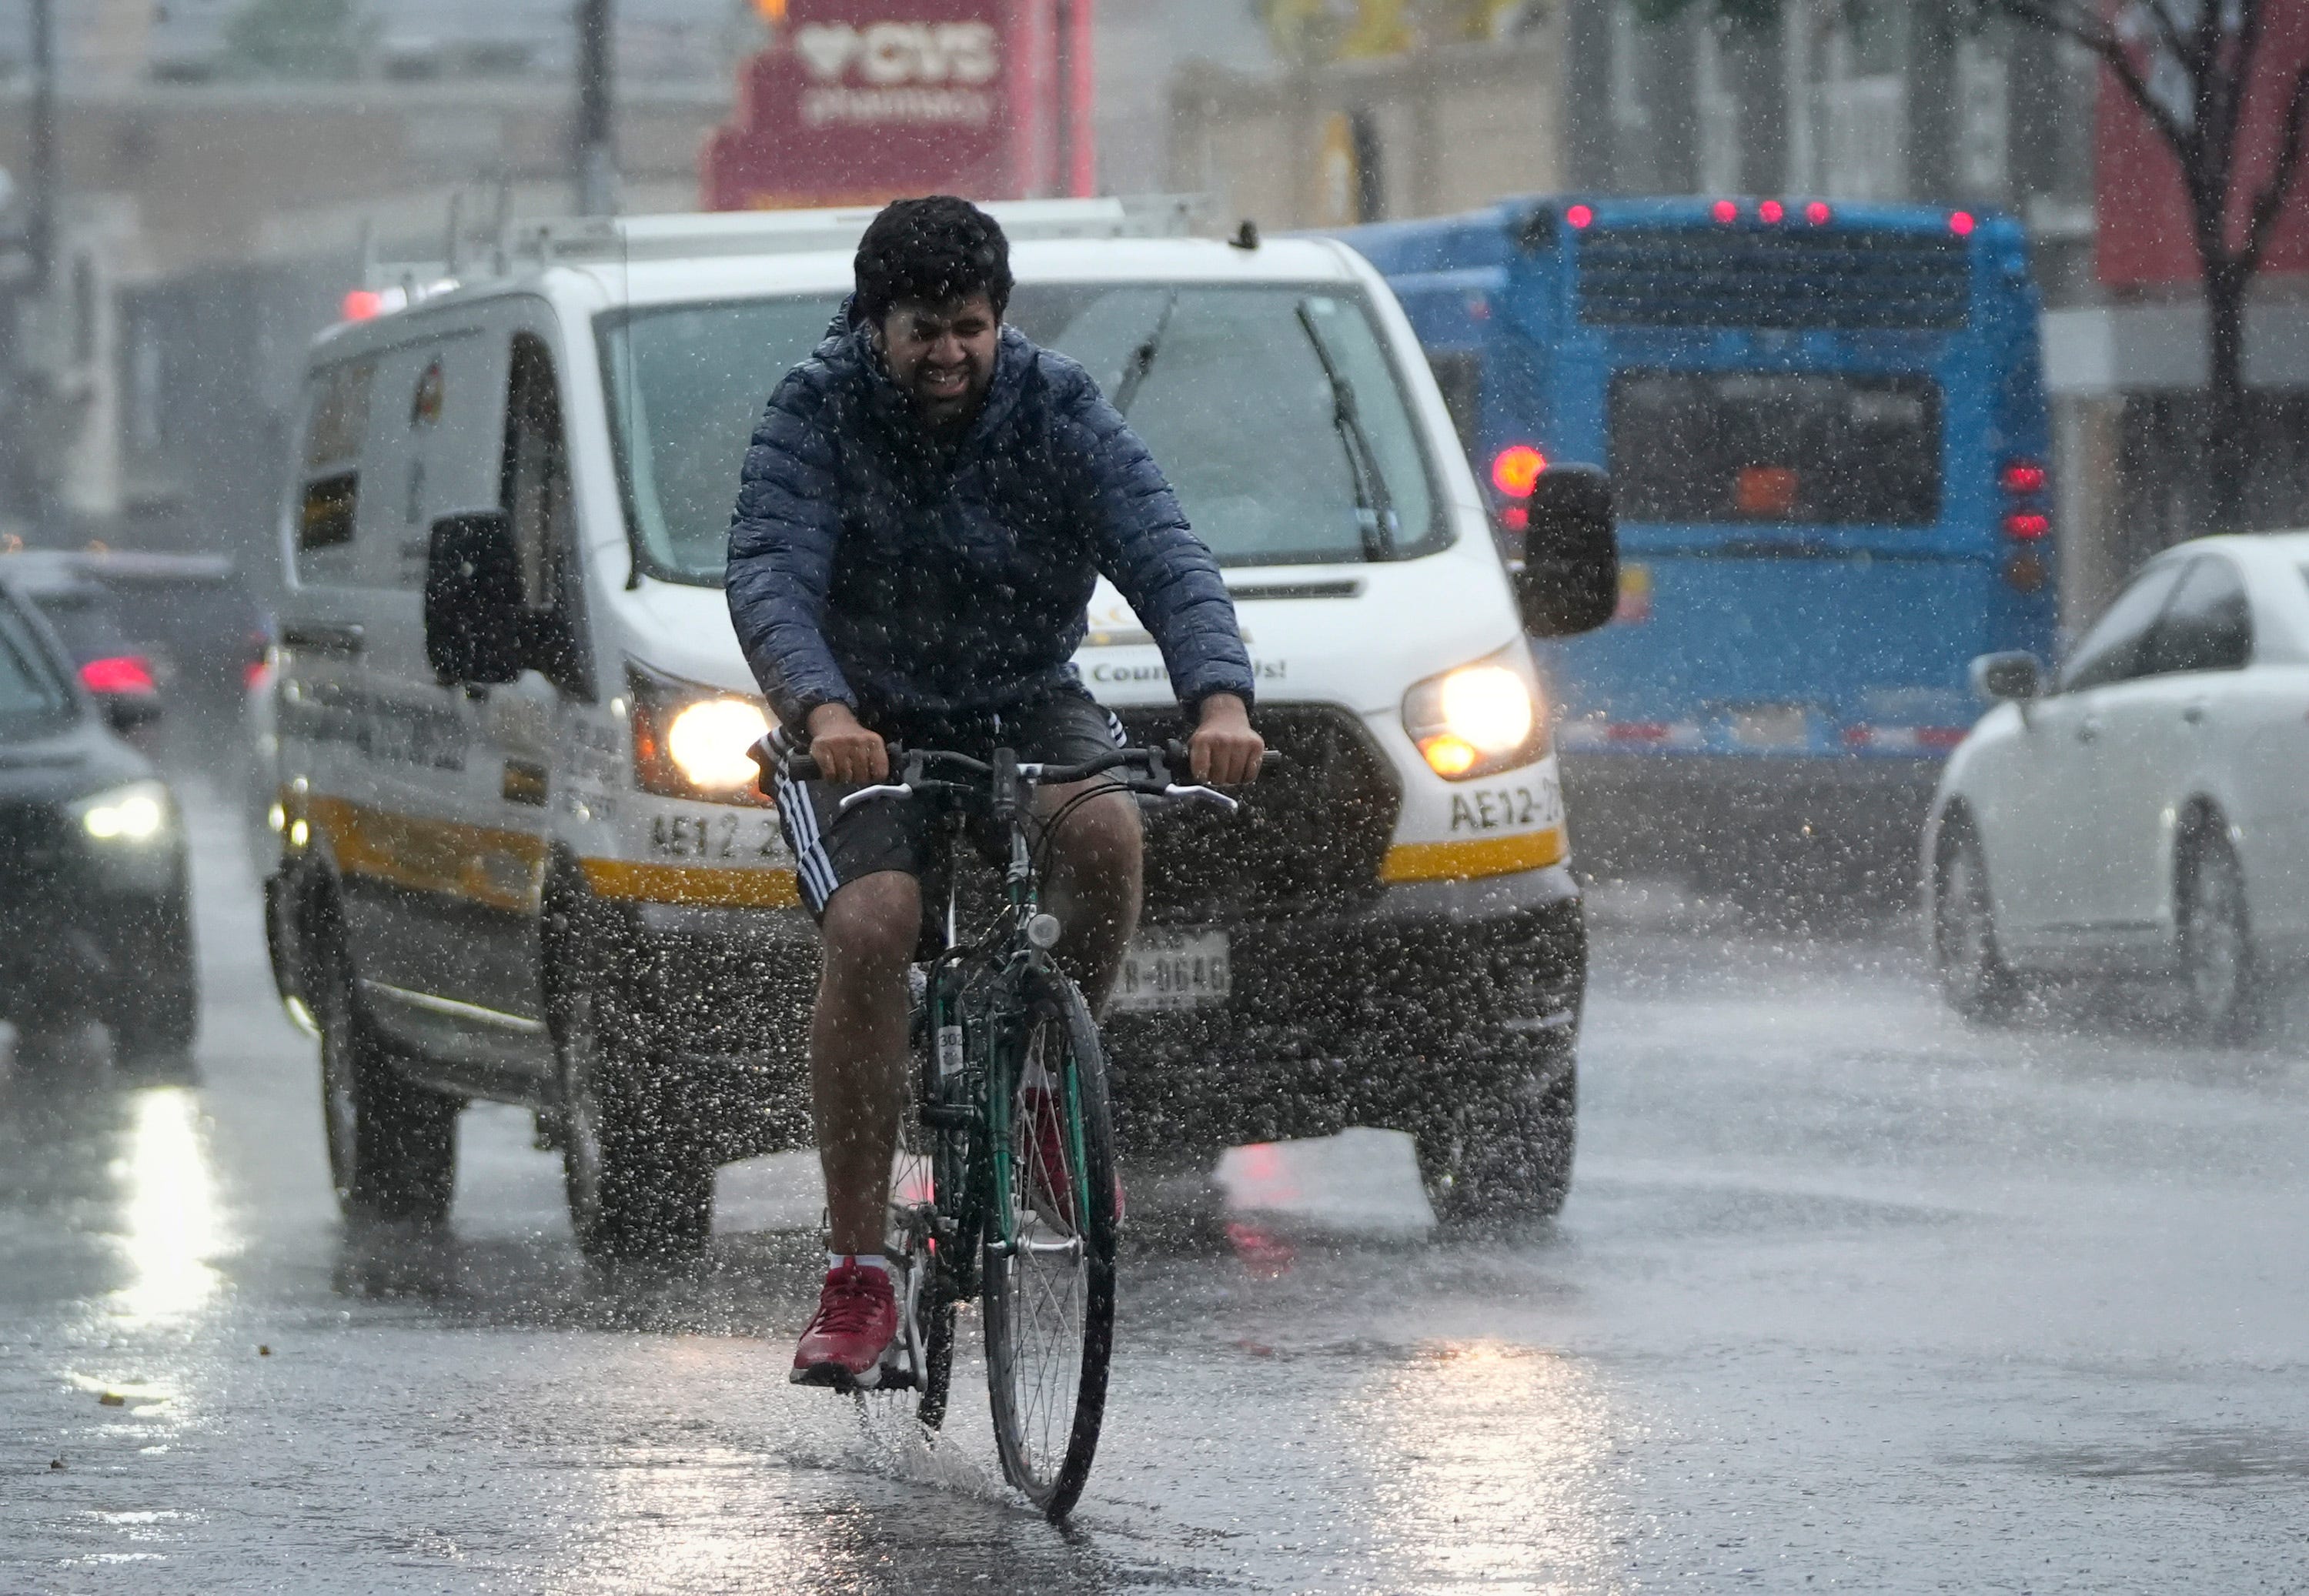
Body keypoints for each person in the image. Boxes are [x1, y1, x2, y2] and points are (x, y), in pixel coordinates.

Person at [727, 195, 1265, 1388]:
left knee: (1107, 832)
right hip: (859, 718)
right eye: (922, 329)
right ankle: (858, 1272)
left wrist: (1220, 698)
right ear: (873, 325)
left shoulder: (1056, 405)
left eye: (969, 327)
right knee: (877, 923)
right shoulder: (814, 409)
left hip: (1023, 693)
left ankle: (1038, 1094)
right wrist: (825, 712)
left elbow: (1165, 550)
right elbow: (769, 570)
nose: (949, 353)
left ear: (1000, 321)